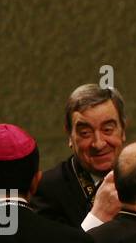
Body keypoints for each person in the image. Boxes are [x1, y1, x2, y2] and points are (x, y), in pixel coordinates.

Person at [32, 84, 127, 229]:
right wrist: (98, 216)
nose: (98, 144)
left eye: (107, 130)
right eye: (85, 133)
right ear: (70, 135)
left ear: (123, 130)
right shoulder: (48, 189)